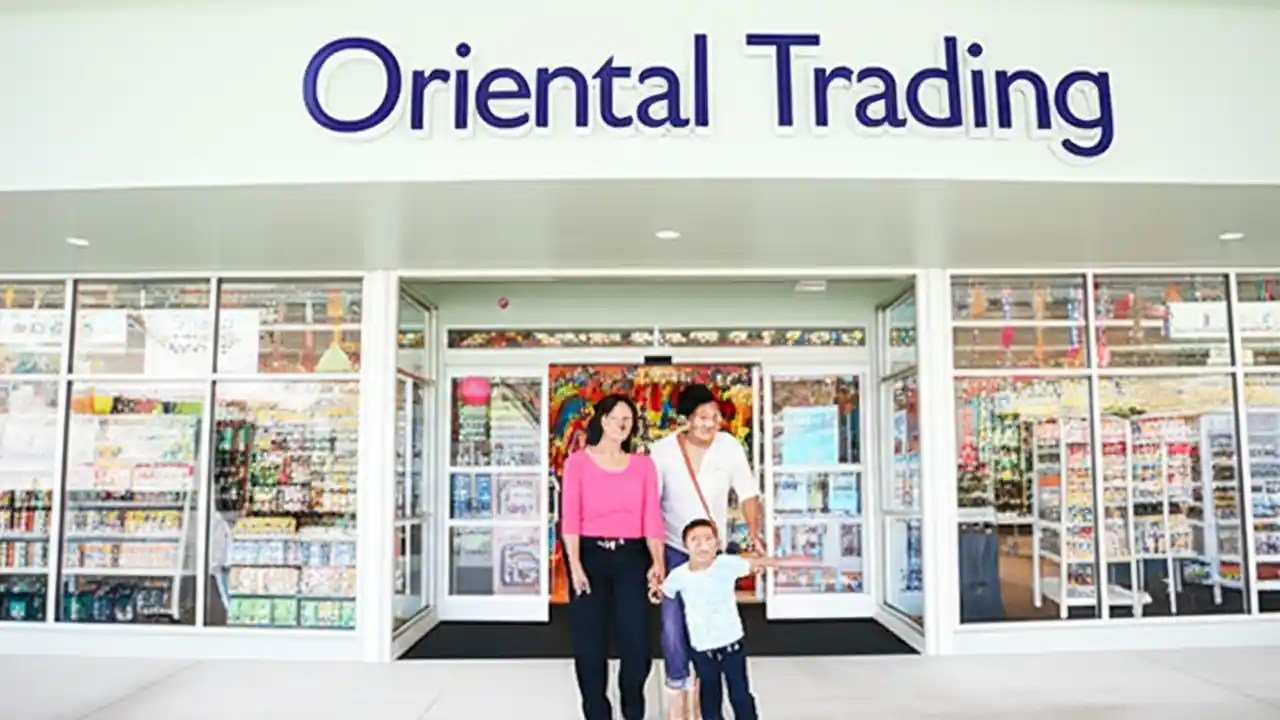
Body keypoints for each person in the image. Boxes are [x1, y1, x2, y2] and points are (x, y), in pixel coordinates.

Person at [649, 383, 763, 712]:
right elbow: (651, 506)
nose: (710, 423)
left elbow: (747, 493)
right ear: (687, 418)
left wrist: (754, 532)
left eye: (714, 416)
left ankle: (702, 698)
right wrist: (655, 557)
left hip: (712, 553)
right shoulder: (662, 451)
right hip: (673, 547)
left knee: (711, 622)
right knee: (673, 627)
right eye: (702, 416)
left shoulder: (729, 447)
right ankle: (677, 698)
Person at [561, 393, 666, 720]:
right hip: (589, 556)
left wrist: (658, 562)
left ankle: (633, 709)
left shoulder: (643, 465)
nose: (623, 424)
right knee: (590, 646)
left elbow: (652, 517)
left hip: (633, 558)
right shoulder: (577, 462)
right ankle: (597, 713)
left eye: (629, 419)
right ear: (602, 420)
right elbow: (570, 517)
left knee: (637, 645)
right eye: (617, 417)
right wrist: (575, 565)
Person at [655, 519, 815, 720]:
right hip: (702, 650)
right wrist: (655, 591)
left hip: (732, 645)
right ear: (685, 546)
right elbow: (663, 592)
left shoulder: (726, 564)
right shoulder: (680, 575)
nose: (702, 545)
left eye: (708, 539)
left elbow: (759, 563)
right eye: (694, 540)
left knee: (740, 693)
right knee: (710, 698)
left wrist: (791, 562)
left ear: (718, 544)